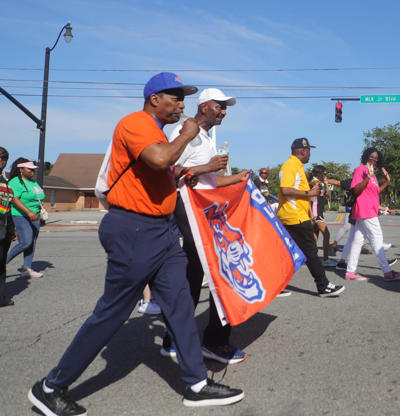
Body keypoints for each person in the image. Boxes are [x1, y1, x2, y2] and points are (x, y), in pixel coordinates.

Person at [28, 73, 244, 416]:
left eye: (183, 98)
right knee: (112, 312)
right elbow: (160, 159)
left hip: (161, 231)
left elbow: (165, 174)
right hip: (133, 228)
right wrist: (187, 136)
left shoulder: (157, 133)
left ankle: (196, 383)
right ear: (154, 99)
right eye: (175, 97)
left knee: (180, 305)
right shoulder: (135, 123)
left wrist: (186, 169)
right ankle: (51, 387)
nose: (181, 104)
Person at [160, 87, 251, 364]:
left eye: (225, 108)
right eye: (219, 106)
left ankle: (173, 338)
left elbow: (208, 183)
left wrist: (238, 179)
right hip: (186, 210)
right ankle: (215, 341)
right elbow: (168, 172)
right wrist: (206, 168)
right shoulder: (184, 133)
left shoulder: (208, 140)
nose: (223, 112)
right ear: (204, 106)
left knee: (193, 277)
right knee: (219, 271)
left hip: (204, 212)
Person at [277, 138, 344, 297]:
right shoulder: (290, 166)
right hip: (295, 218)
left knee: (286, 254)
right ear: (302, 150)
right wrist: (310, 193)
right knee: (311, 253)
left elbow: (296, 192)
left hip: (295, 216)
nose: (310, 154)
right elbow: (285, 190)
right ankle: (323, 286)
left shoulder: (297, 167)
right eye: (309, 151)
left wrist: (310, 192)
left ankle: (274, 286)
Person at [343, 147, 400, 281]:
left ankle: (350, 272)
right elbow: (356, 190)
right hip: (365, 210)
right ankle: (387, 272)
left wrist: (387, 181)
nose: (374, 159)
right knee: (377, 239)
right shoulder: (360, 170)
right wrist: (367, 177)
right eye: (372, 156)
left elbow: (374, 192)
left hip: (369, 209)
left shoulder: (373, 174)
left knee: (357, 241)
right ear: (366, 156)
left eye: (376, 157)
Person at [6, 158, 45, 279]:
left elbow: (38, 196)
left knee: (31, 242)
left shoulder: (33, 182)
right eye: (30, 169)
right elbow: (14, 199)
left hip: (35, 216)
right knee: (25, 242)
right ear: (21, 169)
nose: (32, 172)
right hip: (21, 215)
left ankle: (26, 268)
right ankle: (2, 263)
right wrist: (28, 212)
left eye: (33, 170)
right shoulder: (15, 182)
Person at [309, 165, 337, 267]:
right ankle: (325, 259)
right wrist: (311, 213)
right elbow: (308, 198)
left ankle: (310, 257)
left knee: (315, 236)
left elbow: (328, 194)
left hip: (319, 211)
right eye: (324, 173)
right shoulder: (314, 182)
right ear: (318, 173)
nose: (325, 175)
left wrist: (325, 182)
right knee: (326, 234)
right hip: (316, 212)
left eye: (326, 174)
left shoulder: (320, 183)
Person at [0, 147, 16, 307]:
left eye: (4, 158)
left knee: (1, 265)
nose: (1, 160)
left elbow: (7, 206)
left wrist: (13, 229)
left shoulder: (5, 182)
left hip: (5, 230)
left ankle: (1, 298)